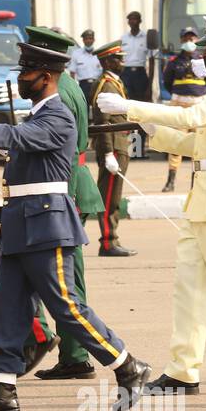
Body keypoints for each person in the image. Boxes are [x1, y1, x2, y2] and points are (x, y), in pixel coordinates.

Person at [0, 38, 151, 411]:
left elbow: (14, 139)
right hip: (20, 223)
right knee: (9, 309)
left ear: (44, 77)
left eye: (26, 74)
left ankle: (128, 366)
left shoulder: (58, 116)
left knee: (67, 307)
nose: (20, 81)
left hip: (48, 225)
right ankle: (3, 390)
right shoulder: (39, 115)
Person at [98, 16, 206, 394]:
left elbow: (193, 118)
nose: (203, 53)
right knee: (190, 289)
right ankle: (182, 370)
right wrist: (153, 130)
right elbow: (198, 145)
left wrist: (132, 107)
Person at [21, 27, 106, 382]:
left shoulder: (60, 93)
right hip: (72, 183)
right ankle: (75, 354)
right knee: (68, 277)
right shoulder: (69, 86)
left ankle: (73, 351)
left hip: (65, 186)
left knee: (58, 277)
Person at [90, 41, 135, 257]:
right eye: (118, 58)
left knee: (114, 196)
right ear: (107, 61)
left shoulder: (114, 82)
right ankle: (108, 241)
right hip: (113, 146)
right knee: (109, 197)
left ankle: (111, 238)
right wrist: (108, 152)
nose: (122, 62)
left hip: (120, 143)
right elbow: (103, 122)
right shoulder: (105, 85)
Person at [158, 27, 206, 193]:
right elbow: (167, 82)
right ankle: (171, 181)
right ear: (181, 41)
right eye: (186, 38)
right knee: (176, 144)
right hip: (179, 106)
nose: (189, 41)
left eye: (192, 38)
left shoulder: (204, 61)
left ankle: (197, 182)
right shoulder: (173, 62)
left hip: (199, 106)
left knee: (200, 145)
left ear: (196, 40)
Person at [120, 11, 152, 101]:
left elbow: (151, 60)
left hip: (140, 74)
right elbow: (119, 57)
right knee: (126, 100)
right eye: (130, 19)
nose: (132, 21)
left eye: (135, 19)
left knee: (141, 101)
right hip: (126, 73)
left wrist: (150, 85)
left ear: (140, 21)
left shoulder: (146, 37)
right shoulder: (124, 38)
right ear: (128, 22)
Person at [69, 29, 102, 98]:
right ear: (83, 40)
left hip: (97, 84)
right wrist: (73, 87)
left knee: (97, 106)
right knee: (84, 107)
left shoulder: (99, 53)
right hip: (83, 85)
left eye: (90, 38)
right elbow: (72, 72)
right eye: (86, 39)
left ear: (94, 39)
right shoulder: (76, 54)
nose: (88, 41)